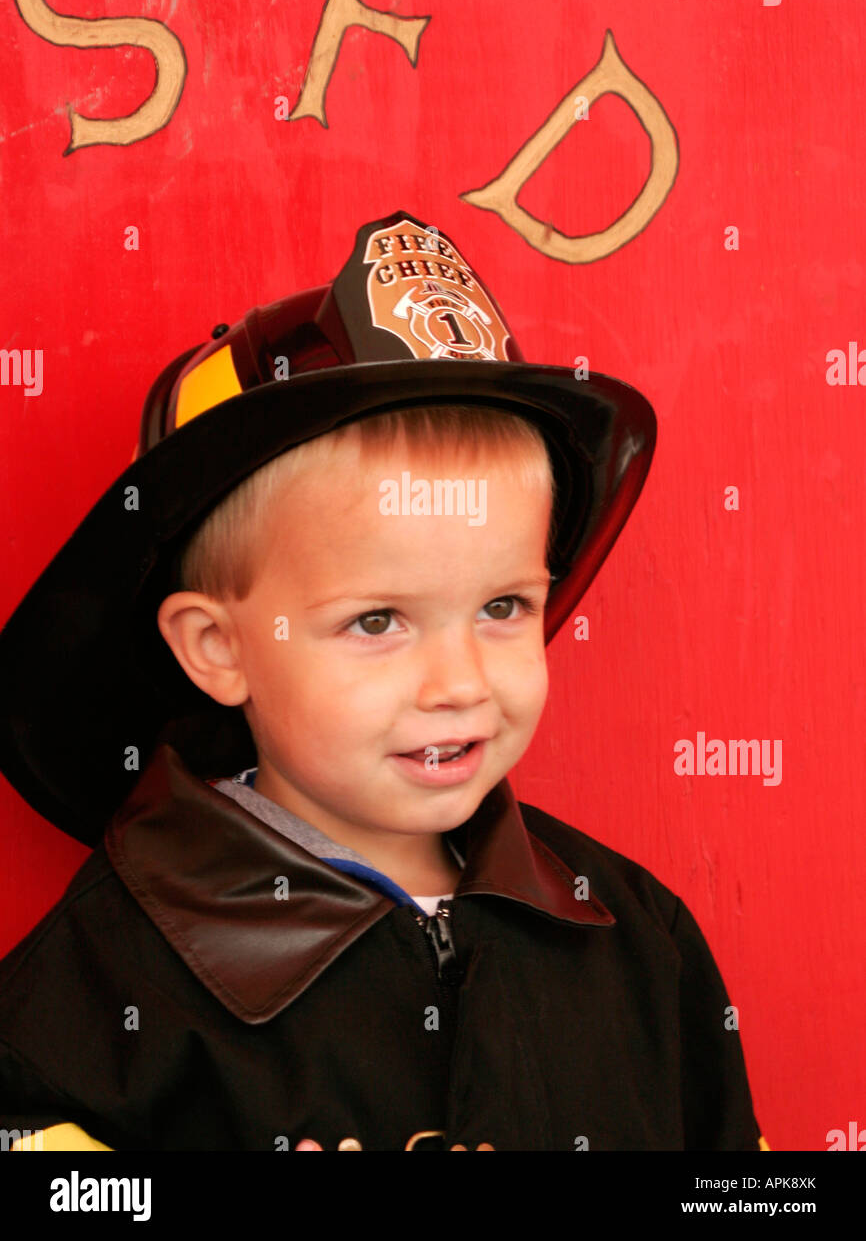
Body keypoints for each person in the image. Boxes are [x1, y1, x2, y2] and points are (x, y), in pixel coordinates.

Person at [0, 210, 769, 1151]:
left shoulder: (637, 940)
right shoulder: (91, 997)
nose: (458, 683)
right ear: (218, 648)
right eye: (377, 622)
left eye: (502, 608)